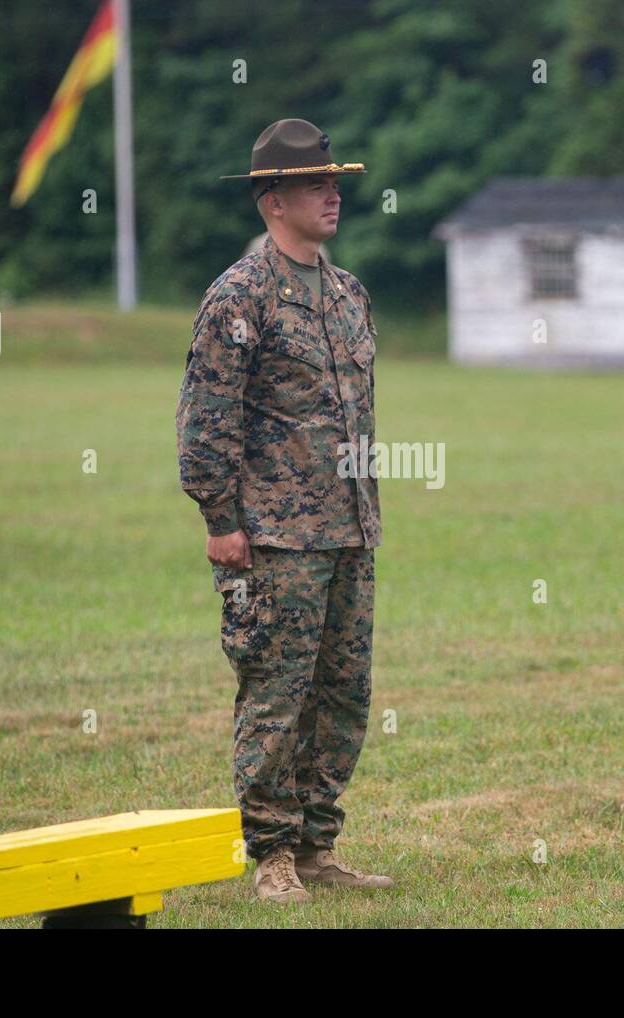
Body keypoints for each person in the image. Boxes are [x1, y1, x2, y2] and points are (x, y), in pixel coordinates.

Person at [177, 119, 391, 902]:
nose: (332, 194)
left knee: (343, 694)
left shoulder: (346, 293)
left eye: (335, 182)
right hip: (271, 538)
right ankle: (268, 853)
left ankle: (314, 846)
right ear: (272, 199)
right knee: (275, 692)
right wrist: (220, 519)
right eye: (314, 184)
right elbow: (207, 418)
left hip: (349, 532)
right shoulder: (239, 296)